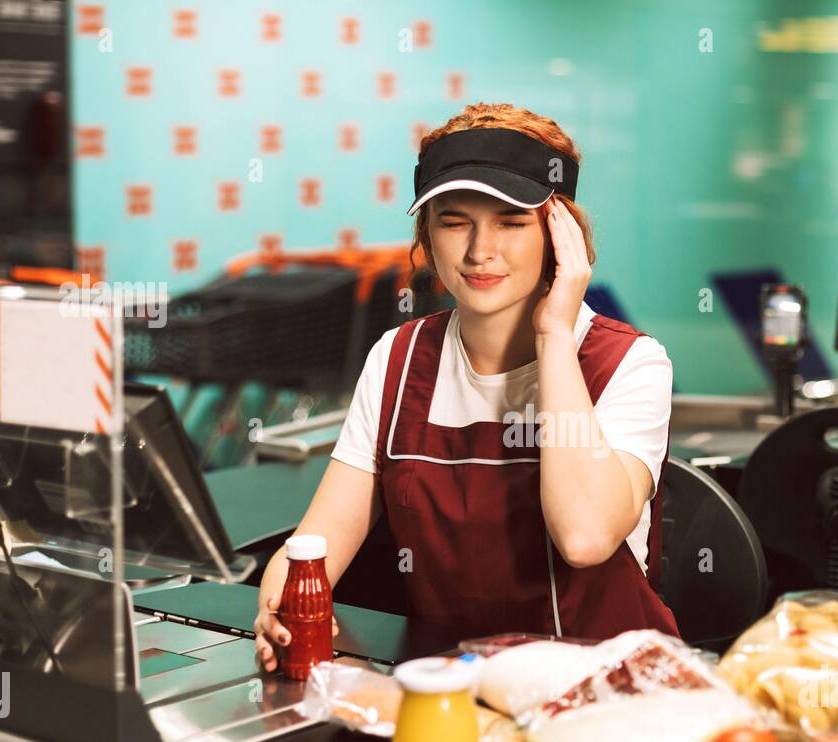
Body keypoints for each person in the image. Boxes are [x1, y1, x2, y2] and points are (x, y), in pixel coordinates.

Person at [255, 102, 678, 670]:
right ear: (426, 236)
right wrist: (282, 600)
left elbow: (584, 536)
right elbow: (315, 546)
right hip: (457, 689)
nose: (481, 251)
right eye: (455, 222)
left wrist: (554, 332)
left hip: (607, 699)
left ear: (560, 235)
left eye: (511, 221)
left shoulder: (629, 363)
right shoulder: (397, 361)